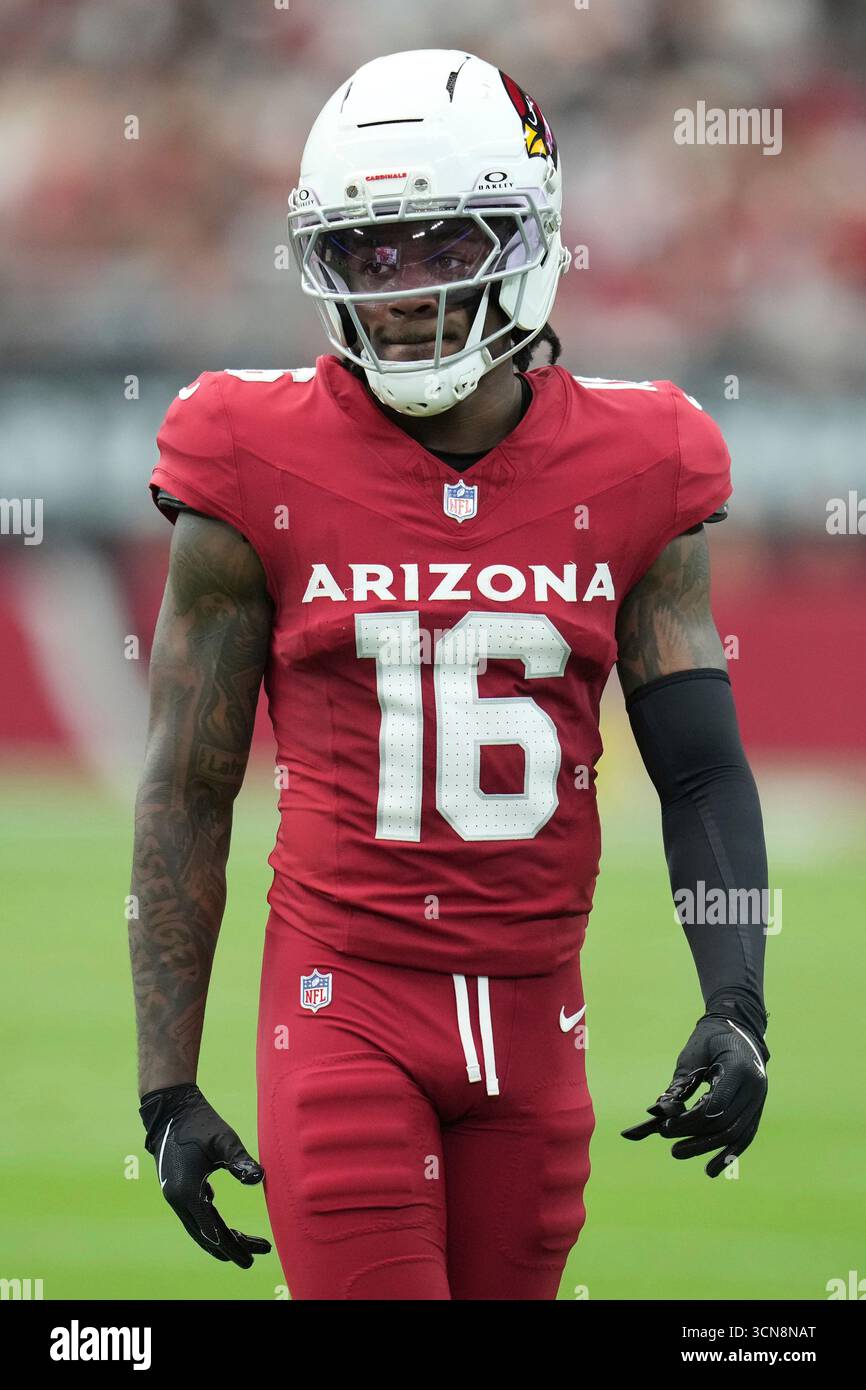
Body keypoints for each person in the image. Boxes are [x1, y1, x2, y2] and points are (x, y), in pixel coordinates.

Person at [130, 49, 770, 1301]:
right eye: (371, 252)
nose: (407, 287)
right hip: (341, 1001)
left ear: (525, 241)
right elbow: (186, 783)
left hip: (539, 1022)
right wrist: (166, 1083)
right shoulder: (245, 450)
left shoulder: (641, 457)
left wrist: (737, 1001)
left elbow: (698, 766)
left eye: (441, 242)